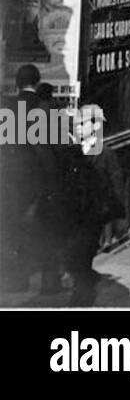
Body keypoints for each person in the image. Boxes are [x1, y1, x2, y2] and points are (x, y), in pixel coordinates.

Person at [0, 64, 62, 294]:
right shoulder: (46, 109)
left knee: (13, 230)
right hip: (40, 181)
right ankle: (49, 282)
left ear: (16, 84)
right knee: (48, 230)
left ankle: (16, 281)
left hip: (10, 180)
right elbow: (53, 148)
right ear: (36, 83)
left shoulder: (6, 109)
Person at [59, 106, 126, 306]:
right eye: (76, 124)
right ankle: (85, 286)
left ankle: (82, 298)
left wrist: (119, 216)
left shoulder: (105, 153)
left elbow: (116, 185)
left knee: (83, 254)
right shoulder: (73, 151)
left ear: (95, 125)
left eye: (82, 124)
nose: (78, 128)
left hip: (94, 214)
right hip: (74, 213)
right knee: (73, 256)